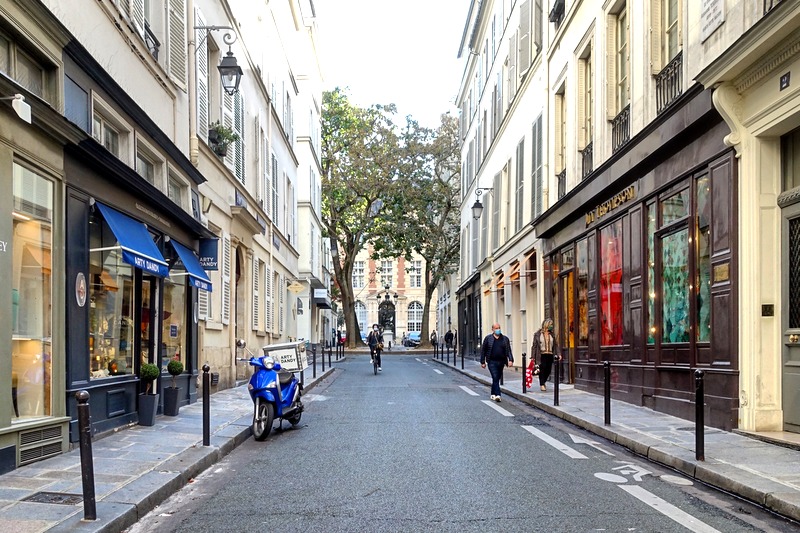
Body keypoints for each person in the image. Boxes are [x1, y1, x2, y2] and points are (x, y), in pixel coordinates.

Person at [480, 322, 513, 402]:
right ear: (492, 329)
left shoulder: (505, 339)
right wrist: (482, 361)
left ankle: (493, 393)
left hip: (501, 361)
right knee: (495, 376)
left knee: (497, 378)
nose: (498, 330)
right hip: (491, 361)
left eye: (499, 328)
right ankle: (498, 394)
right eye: (496, 328)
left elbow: (508, 350)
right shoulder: (488, 338)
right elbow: (483, 350)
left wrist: (511, 360)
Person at [531, 318, 559, 392]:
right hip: (541, 355)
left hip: (550, 354)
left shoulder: (552, 335)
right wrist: (533, 357)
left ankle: (543, 381)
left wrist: (558, 354)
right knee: (542, 370)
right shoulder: (537, 334)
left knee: (548, 370)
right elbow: (534, 346)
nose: (551, 326)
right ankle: (542, 384)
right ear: (546, 325)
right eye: (550, 325)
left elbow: (555, 346)